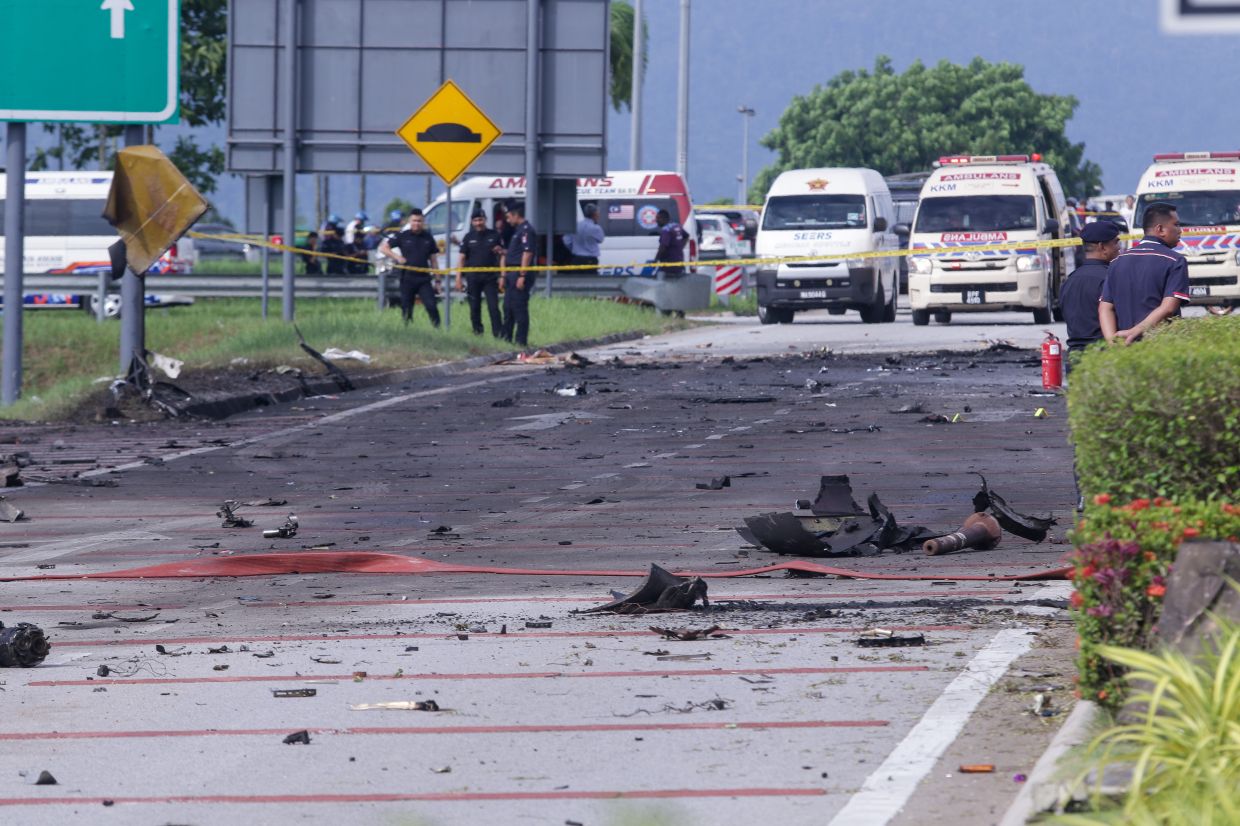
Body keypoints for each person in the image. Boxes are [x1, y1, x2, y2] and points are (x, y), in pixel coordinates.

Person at [1099, 201, 1190, 345]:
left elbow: (1105, 307)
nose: (1180, 230)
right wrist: (1137, 330)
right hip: (1161, 346)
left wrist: (1112, 342)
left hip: (1125, 346)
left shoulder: (1118, 261)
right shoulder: (1175, 260)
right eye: (1176, 225)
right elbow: (1168, 308)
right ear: (1160, 229)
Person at [1059, 221, 1121, 361]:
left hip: (1074, 357)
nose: (1119, 248)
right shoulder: (1112, 278)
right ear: (1102, 247)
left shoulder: (1070, 281)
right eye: (1116, 242)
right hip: (1103, 357)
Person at [379, 208, 441, 326]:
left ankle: (438, 329)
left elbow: (434, 261)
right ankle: (408, 331)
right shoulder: (403, 235)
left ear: (423, 222)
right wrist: (397, 257)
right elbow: (383, 248)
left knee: (431, 306)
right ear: (410, 221)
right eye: (414, 221)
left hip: (424, 279)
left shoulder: (428, 237)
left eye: (419, 221)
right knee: (406, 309)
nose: (416, 224)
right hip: (407, 278)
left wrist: (438, 280)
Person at [455, 209, 504, 337]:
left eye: (480, 220)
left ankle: (498, 335)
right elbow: (461, 258)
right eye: (475, 220)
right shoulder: (468, 237)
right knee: (474, 308)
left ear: (485, 220)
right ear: (472, 222)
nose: (478, 223)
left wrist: (503, 276)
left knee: (493, 307)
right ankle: (478, 333)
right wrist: (458, 278)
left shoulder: (494, 235)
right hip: (473, 278)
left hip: (490, 278)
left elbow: (502, 256)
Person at [501, 201, 536, 346]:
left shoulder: (526, 230)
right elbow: (518, 252)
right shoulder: (518, 230)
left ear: (515, 215)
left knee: (519, 307)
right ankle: (506, 340)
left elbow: (527, 253)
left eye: (509, 216)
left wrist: (522, 275)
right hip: (511, 273)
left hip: (518, 274)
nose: (507, 220)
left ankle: (521, 342)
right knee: (508, 307)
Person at [565, 203, 605, 277]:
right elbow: (600, 240)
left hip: (577, 258)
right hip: (590, 260)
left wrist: (573, 248)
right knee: (590, 281)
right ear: (594, 214)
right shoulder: (596, 228)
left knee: (576, 281)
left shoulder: (575, 226)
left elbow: (566, 240)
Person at [654, 208, 687, 277]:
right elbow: (686, 236)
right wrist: (680, 247)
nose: (656, 221)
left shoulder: (666, 230)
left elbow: (663, 246)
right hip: (679, 260)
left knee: (662, 280)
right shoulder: (677, 226)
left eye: (658, 218)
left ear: (664, 219)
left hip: (669, 262)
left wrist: (656, 259)